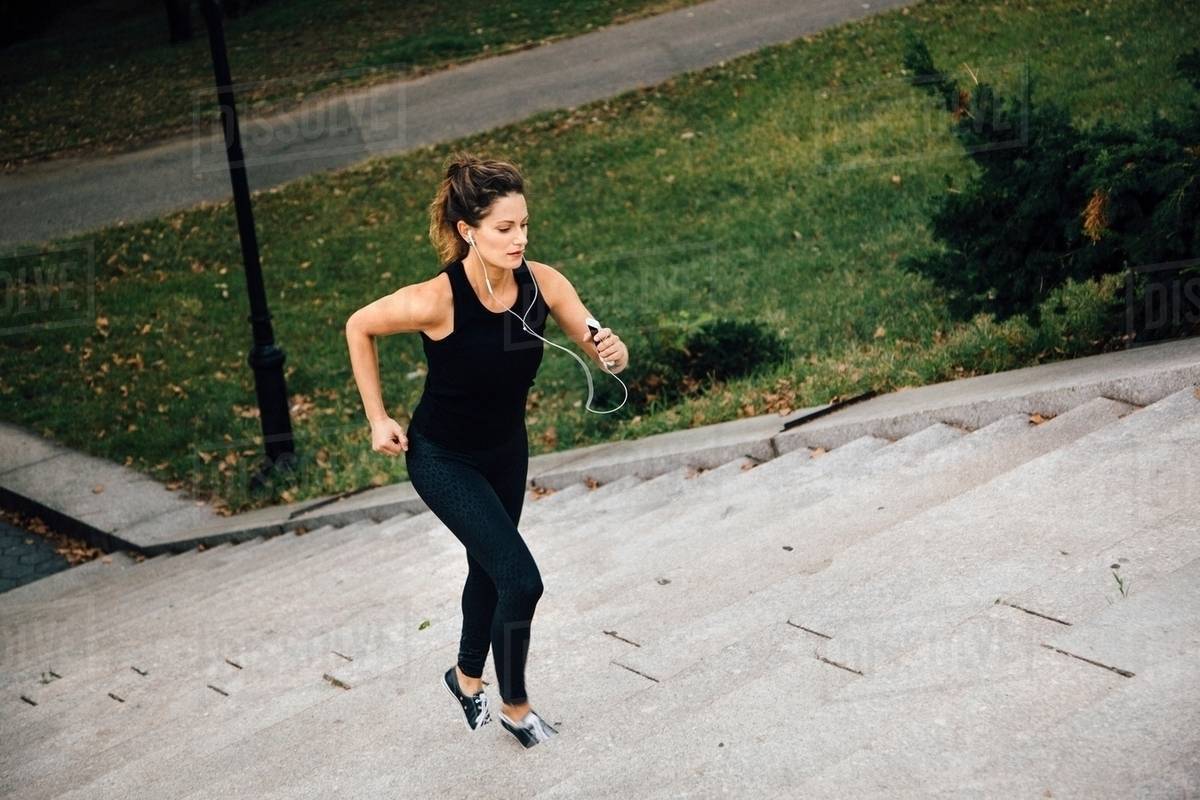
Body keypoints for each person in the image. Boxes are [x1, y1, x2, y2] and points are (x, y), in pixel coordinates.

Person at [345, 151, 629, 748]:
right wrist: (377, 417)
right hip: (443, 458)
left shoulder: (543, 284)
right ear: (466, 231)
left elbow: (590, 329)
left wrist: (610, 349)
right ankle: (516, 705)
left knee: (490, 567)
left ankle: (465, 675)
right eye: (504, 228)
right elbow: (358, 325)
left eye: (524, 225)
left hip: (506, 451)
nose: (519, 238)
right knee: (521, 579)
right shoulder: (436, 299)